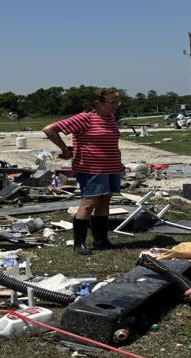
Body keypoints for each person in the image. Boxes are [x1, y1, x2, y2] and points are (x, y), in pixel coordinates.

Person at [44, 90, 126, 255]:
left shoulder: (110, 118)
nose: (116, 107)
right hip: (91, 168)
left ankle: (101, 240)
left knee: (104, 201)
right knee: (89, 203)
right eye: (112, 103)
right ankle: (79, 243)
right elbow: (50, 129)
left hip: (111, 167)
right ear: (98, 104)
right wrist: (64, 149)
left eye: (117, 103)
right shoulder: (85, 118)